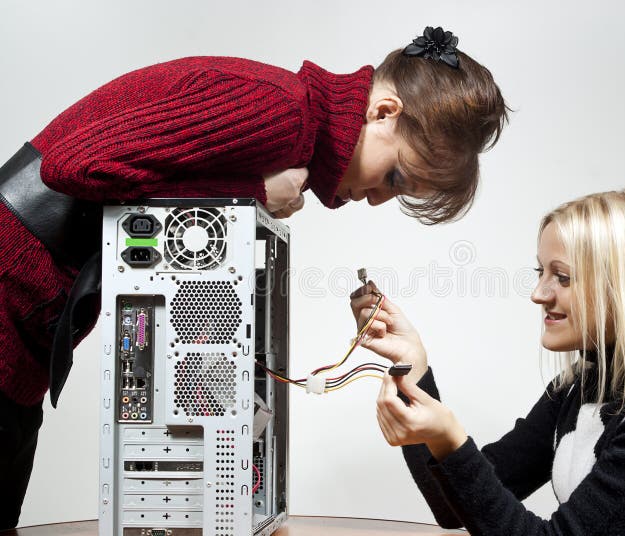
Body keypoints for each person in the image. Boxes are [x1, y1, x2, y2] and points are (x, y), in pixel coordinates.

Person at [0, 26, 508, 528]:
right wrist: (252, 191)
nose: (377, 197)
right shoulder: (284, 111)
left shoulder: (292, 117)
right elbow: (71, 167)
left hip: (26, 323)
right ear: (383, 111)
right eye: (395, 176)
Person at [350, 190, 625, 535]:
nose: (538, 294)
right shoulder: (580, 387)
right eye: (540, 272)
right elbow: (455, 507)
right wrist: (414, 367)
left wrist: (450, 439)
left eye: (563, 277)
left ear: (624, 288)